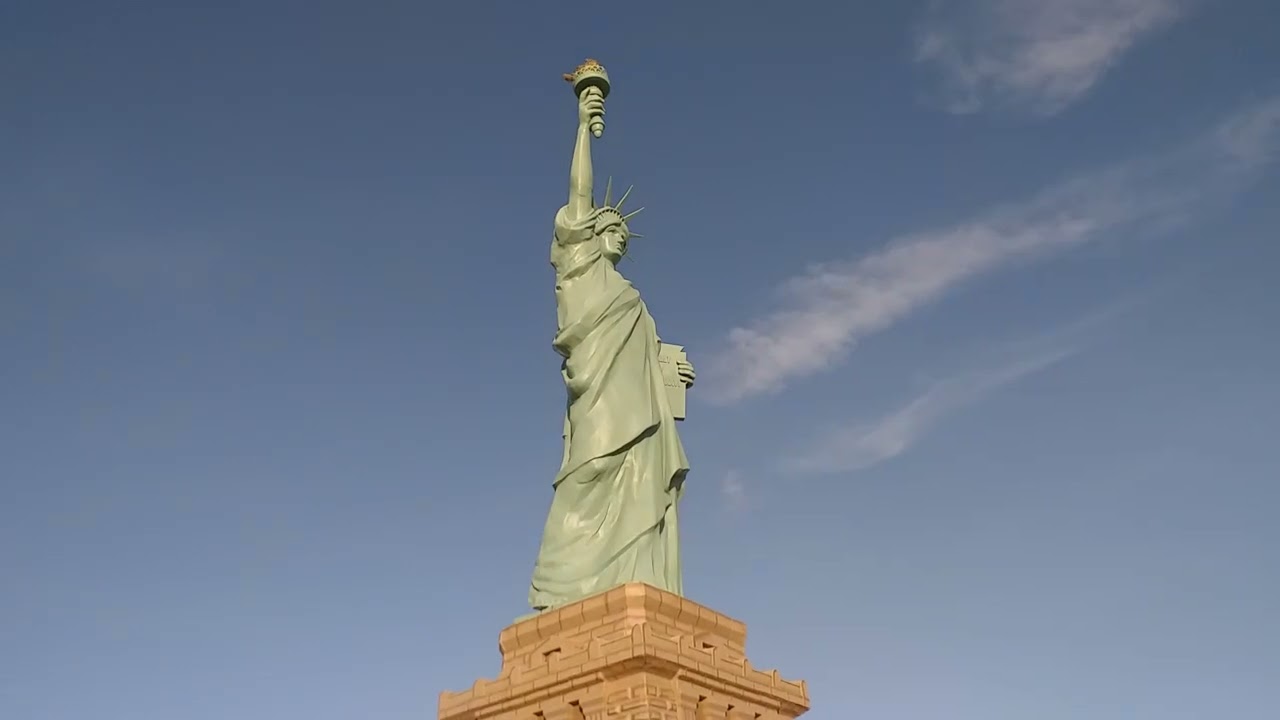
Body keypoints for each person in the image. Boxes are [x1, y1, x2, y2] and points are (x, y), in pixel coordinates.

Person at [528, 85, 696, 611]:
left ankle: (635, 582)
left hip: (641, 415)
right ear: (586, 236)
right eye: (610, 225)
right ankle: (558, 589)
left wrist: (674, 371)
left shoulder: (632, 299)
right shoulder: (578, 271)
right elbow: (579, 193)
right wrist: (583, 125)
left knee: (640, 482)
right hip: (597, 404)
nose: (619, 232)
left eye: (624, 229)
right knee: (589, 474)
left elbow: (647, 359)